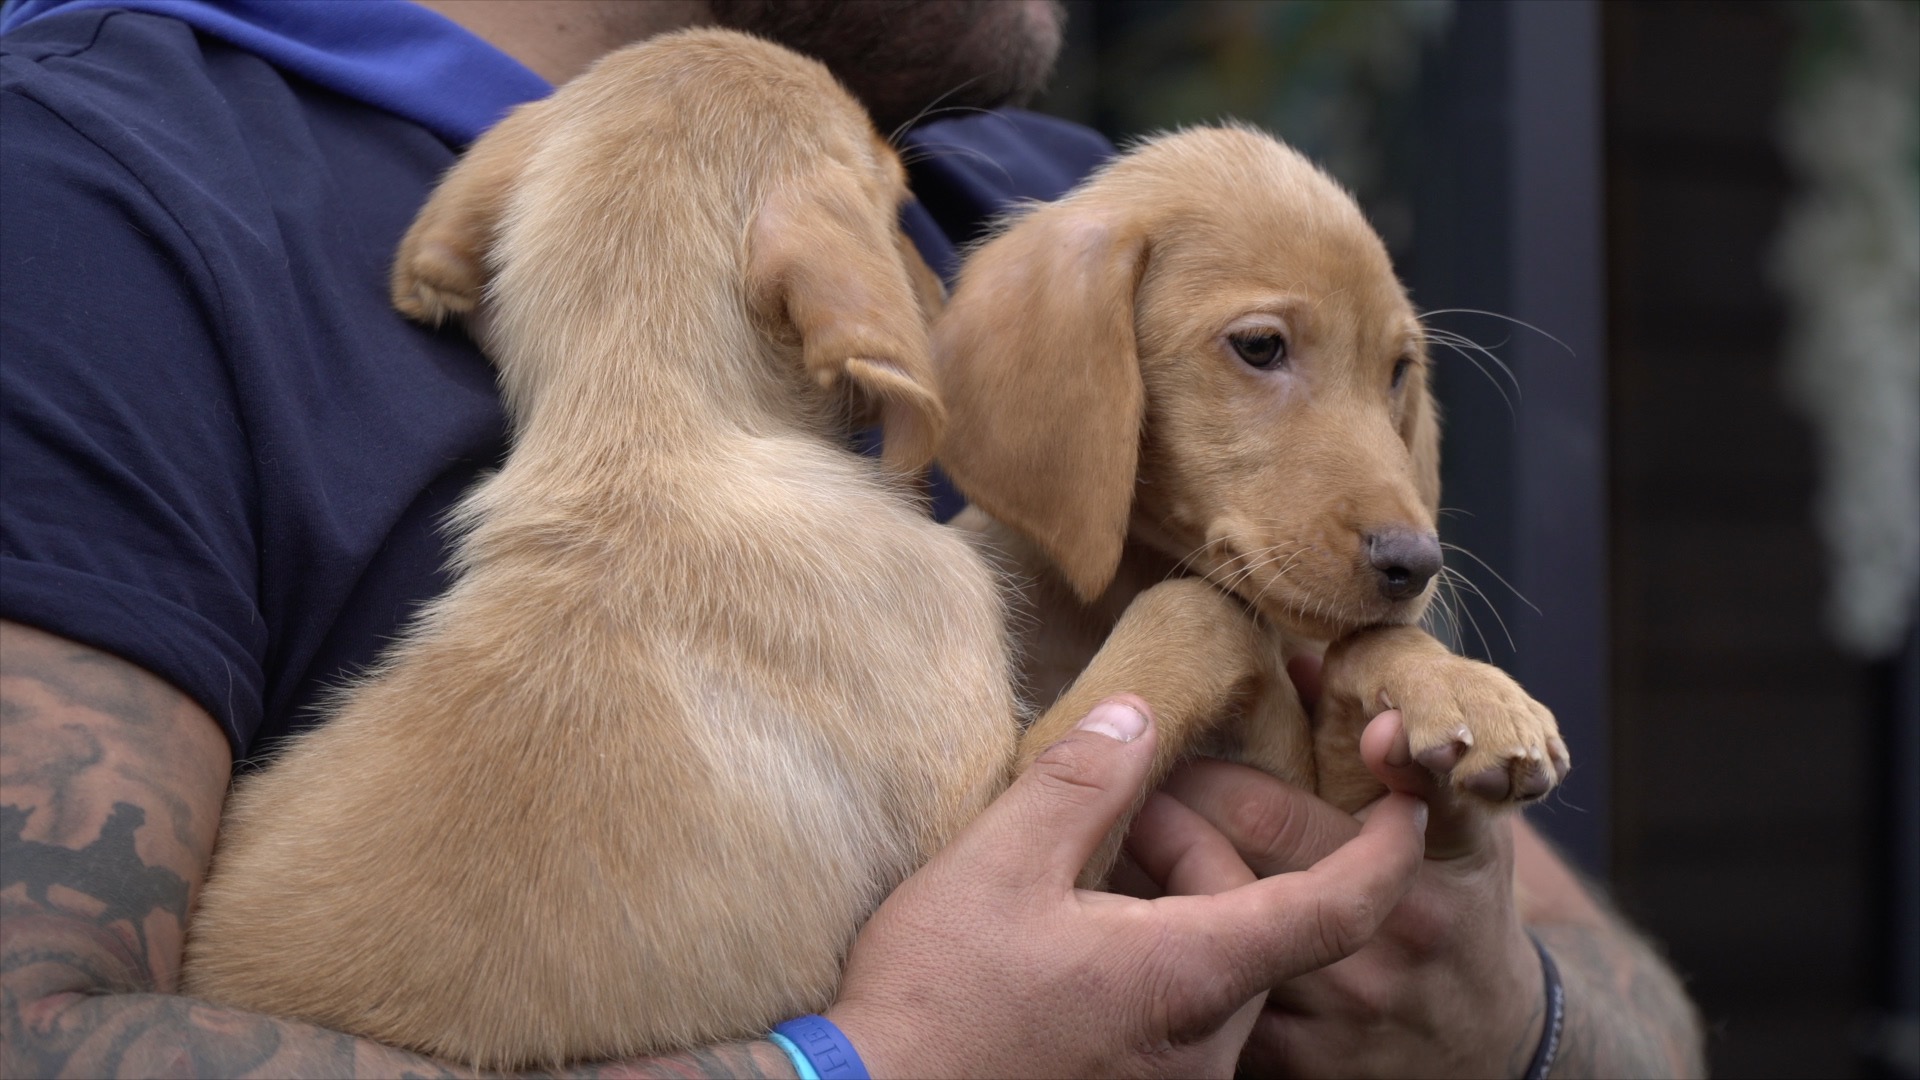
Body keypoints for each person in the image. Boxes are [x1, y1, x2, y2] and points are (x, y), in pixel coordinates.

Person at [0, 1, 1705, 1075]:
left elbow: (1636, 1006)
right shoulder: (90, 205)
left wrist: (1504, 1017)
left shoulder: (1060, 208)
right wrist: (860, 1067)